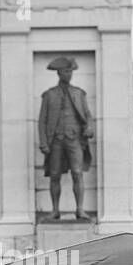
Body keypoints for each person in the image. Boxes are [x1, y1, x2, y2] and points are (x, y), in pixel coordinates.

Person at [37, 55, 94, 221]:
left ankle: (80, 209)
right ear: (59, 73)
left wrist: (89, 128)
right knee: (55, 175)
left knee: (77, 172)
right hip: (56, 140)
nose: (69, 74)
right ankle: (55, 210)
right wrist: (43, 142)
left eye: (71, 71)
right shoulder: (49, 95)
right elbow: (42, 120)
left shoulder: (78, 94)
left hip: (74, 139)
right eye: (66, 71)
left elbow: (88, 116)